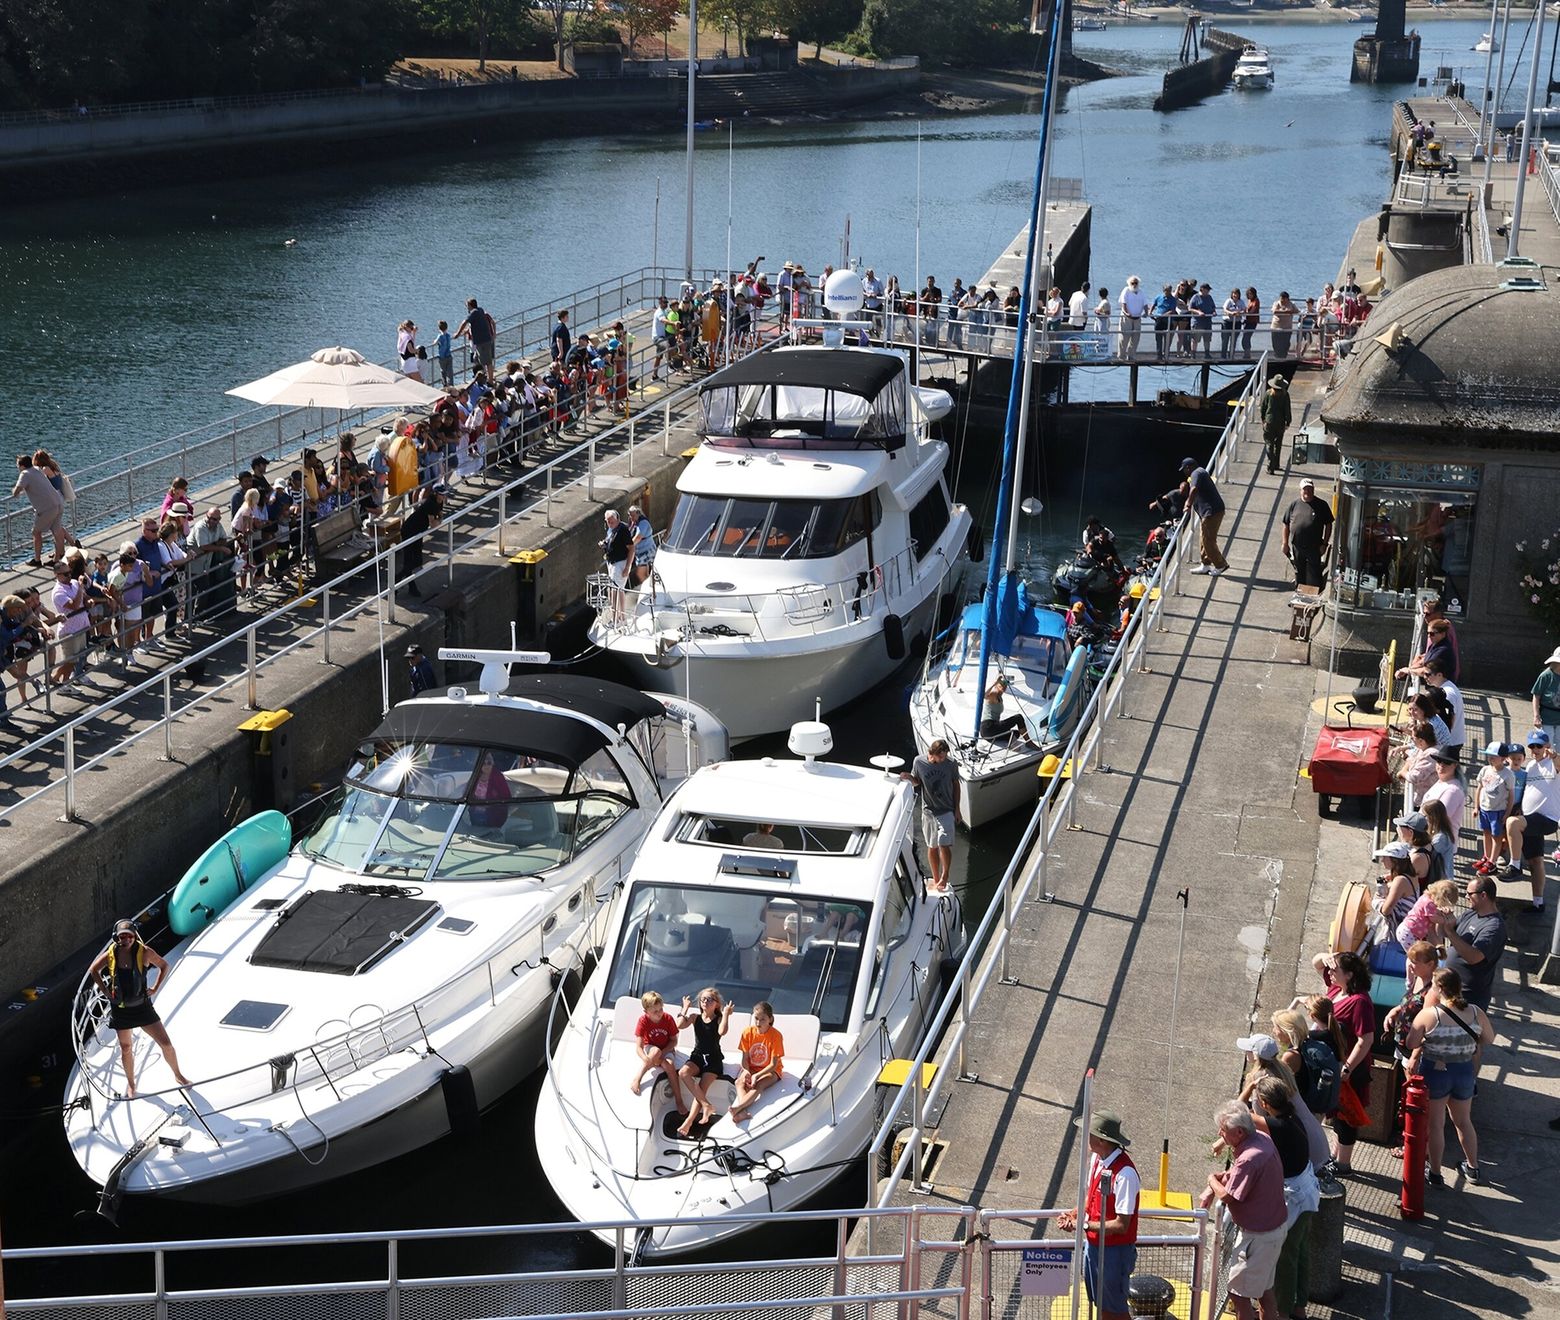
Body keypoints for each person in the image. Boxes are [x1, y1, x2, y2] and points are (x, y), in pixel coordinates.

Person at [1403, 968, 1493, 1185]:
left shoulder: (1429, 1015)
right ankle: (1473, 1168)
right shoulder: (1475, 1011)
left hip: (1436, 1072)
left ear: (1440, 988)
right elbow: (1488, 1038)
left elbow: (1411, 1043)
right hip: (1463, 1072)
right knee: (1463, 1122)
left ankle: (1435, 1173)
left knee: (1435, 1125)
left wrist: (1428, 1043)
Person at [1199, 1101, 1288, 1320]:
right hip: (1273, 1232)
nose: (1220, 1133)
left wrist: (1212, 1181)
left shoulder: (1249, 1158)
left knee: (1238, 1295)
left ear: (1239, 1132)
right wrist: (1225, 1179)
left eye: (1223, 1130)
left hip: (1259, 1238)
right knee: (1265, 1291)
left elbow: (1228, 1195)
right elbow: (1241, 1177)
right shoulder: (1262, 1139)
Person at [87, 920, 191, 1098]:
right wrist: (105, 991)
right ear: (116, 937)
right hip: (120, 1009)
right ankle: (131, 1084)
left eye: (129, 935)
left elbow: (164, 965)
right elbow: (93, 970)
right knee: (126, 1047)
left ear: (134, 936)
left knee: (166, 1044)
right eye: (122, 936)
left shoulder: (145, 952)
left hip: (142, 1007)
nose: (126, 939)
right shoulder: (111, 954)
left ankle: (178, 1075)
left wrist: (156, 987)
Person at [1055, 1110, 1139, 1320]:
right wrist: (1075, 1214)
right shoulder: (1097, 1160)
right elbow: (1090, 1198)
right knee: (1100, 1303)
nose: (1085, 1137)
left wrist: (1082, 1225)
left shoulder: (1125, 1174)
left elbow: (1122, 1225)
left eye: (1089, 1133)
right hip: (1095, 1247)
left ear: (1101, 1140)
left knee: (1113, 1310)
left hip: (1114, 1253)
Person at [1249, 1077, 1321, 1320]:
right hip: (1308, 1194)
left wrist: (1249, 1088)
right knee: (1300, 1252)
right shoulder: (1292, 1118)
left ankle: (1283, 1313)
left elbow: (1242, 1117)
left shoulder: (1275, 1126)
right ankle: (1299, 1308)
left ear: (1265, 1103)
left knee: (1286, 1258)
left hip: (1295, 1200)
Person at [1316, 951, 1375, 1174]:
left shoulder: (1360, 1002)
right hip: (1334, 1063)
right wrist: (1329, 957)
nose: (1329, 972)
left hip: (1350, 1069)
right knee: (1336, 1114)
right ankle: (1334, 1155)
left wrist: (1347, 1067)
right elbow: (1316, 962)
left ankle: (1344, 1165)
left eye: (1334, 970)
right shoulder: (1335, 990)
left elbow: (1365, 1039)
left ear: (1349, 975)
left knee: (1348, 1117)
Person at [1503, 729, 1558, 906]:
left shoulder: (1552, 762)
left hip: (1547, 819)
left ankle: (1515, 865)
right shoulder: (1532, 766)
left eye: (1539, 746)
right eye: (1532, 746)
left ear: (1547, 746)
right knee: (1536, 861)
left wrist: (1555, 755)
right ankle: (1538, 903)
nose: (1535, 750)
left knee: (1512, 823)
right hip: (1530, 819)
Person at [1437, 875, 1506, 1009]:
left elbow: (1474, 957)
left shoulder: (1494, 927)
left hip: (1468, 996)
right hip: (1449, 987)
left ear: (1483, 895)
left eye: (1469, 894)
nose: (1466, 897)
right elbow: (1444, 933)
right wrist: (1443, 921)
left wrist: (1450, 931)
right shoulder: (1471, 913)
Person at [676, 987, 733, 1136]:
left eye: (709, 1000)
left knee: (702, 1087)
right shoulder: (695, 1017)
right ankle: (706, 1105)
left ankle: (688, 1122)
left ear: (716, 1004)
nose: (705, 1002)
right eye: (703, 999)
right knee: (683, 1073)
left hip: (713, 1059)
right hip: (698, 1057)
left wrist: (726, 1014)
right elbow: (679, 1025)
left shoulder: (719, 1019)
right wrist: (685, 1007)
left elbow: (722, 1032)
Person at [906, 739, 960, 891]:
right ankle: (936, 878)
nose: (944, 759)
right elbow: (917, 782)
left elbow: (956, 785)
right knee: (932, 846)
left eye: (945, 756)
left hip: (946, 809)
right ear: (932, 754)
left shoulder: (951, 764)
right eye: (941, 756)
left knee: (944, 843)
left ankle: (945, 875)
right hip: (928, 810)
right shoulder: (919, 762)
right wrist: (909, 778)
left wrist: (957, 809)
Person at [630, 990, 687, 1113]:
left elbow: (674, 1041)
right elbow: (639, 1047)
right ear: (646, 1012)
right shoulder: (643, 1021)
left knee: (670, 1065)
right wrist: (646, 1059)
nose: (659, 1013)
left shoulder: (668, 1019)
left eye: (660, 1009)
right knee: (655, 1052)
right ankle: (638, 1078)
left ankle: (679, 1100)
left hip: (667, 1048)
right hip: (651, 1047)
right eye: (655, 1011)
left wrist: (664, 1051)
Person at [729, 1000, 784, 1123]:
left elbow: (773, 1064)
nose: (758, 1023)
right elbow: (744, 1058)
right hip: (752, 1068)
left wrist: (757, 1076)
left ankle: (738, 1107)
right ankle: (742, 1112)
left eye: (763, 1019)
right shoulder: (747, 1032)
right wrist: (747, 1071)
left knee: (758, 1085)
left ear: (770, 1019)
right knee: (739, 1082)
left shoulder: (776, 1036)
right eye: (756, 1019)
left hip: (772, 1070)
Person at [13, 453, 67, 568]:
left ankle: (37, 560)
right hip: (58, 503)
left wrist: (15, 492)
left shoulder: (25, 474)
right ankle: (58, 560)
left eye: (18, 465)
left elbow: (16, 491)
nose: (18, 468)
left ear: (22, 466)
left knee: (36, 532)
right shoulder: (37, 469)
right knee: (57, 532)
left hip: (47, 508)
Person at [1473, 740, 1516, 874]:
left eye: (1493, 756)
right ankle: (1486, 857)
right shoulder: (1485, 770)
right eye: (1489, 756)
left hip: (1498, 811)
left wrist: (1507, 813)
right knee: (1486, 833)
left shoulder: (1508, 775)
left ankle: (1492, 862)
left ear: (1503, 758)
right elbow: (1479, 788)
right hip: (1484, 809)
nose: (1490, 759)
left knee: (1496, 837)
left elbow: (1511, 796)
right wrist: (1476, 807)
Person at [1280, 478, 1332, 589]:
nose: (1307, 491)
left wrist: (1324, 544)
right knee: (1299, 572)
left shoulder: (1322, 505)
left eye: (1310, 489)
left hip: (1314, 547)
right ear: (1300, 490)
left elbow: (1329, 525)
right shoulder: (1294, 505)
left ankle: (1314, 596)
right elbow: (1286, 524)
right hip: (1297, 546)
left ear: (1313, 490)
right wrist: (1285, 543)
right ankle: (1299, 595)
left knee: (1315, 574)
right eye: (1305, 489)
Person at [1181, 457, 1229, 576]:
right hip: (1208, 512)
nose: (1184, 472)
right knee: (1203, 539)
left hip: (1211, 512)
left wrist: (1188, 504)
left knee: (1208, 540)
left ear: (1189, 467)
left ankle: (1221, 565)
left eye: (1184, 469)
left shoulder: (1196, 473)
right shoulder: (1201, 471)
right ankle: (1205, 564)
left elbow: (1194, 489)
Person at [398, 487, 444, 600]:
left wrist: (439, 519)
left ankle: (398, 580)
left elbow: (438, 517)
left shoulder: (439, 502)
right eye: (441, 494)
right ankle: (408, 586)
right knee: (409, 560)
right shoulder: (430, 503)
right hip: (409, 530)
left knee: (417, 561)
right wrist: (440, 520)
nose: (443, 497)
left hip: (418, 531)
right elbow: (434, 525)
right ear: (435, 494)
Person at [1422, 661, 1465, 757]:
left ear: (1439, 675)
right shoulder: (1446, 688)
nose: (1424, 677)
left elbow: (1450, 720)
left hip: (1450, 743)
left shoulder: (1448, 693)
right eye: (1423, 674)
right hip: (1451, 741)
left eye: (1427, 674)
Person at [1420, 746, 1466, 824]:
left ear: (1455, 765)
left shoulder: (1453, 791)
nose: (1441, 765)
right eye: (1439, 760)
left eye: (1447, 762)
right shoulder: (1441, 782)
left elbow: (1439, 820)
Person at [1260, 376, 1292, 476]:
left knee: (1269, 443)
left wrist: (1263, 419)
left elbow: (1263, 408)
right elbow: (1287, 410)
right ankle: (1277, 464)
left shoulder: (1268, 394)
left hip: (1269, 422)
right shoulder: (1285, 395)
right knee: (1278, 444)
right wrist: (1288, 422)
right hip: (1280, 423)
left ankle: (1270, 466)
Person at [456, 297, 496, 376]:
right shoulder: (480, 310)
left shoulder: (474, 312)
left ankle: (489, 380)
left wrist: (457, 334)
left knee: (487, 362)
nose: (467, 307)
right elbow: (475, 324)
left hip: (483, 341)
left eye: (467, 306)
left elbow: (464, 322)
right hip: (481, 341)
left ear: (470, 305)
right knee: (476, 359)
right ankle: (481, 376)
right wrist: (467, 331)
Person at [1531, 646, 1560, 747]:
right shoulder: (1546, 675)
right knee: (1547, 745)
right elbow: (1536, 696)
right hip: (1546, 717)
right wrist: (1536, 716)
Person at [1118, 277, 1147, 359]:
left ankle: (1131, 355)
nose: (1134, 285)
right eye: (1132, 283)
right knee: (1124, 338)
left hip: (1137, 318)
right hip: (1127, 318)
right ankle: (1121, 356)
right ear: (1129, 283)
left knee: (1135, 339)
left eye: (1136, 283)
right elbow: (1123, 303)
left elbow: (1145, 303)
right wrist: (1126, 312)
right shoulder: (1126, 290)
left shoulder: (1141, 292)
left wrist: (1146, 312)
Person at [628, 504, 655, 588]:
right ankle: (650, 587)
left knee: (640, 573)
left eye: (632, 515)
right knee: (645, 573)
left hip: (646, 551)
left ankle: (648, 588)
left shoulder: (643, 523)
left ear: (638, 513)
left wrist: (627, 547)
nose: (631, 518)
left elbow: (638, 537)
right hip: (641, 552)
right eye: (630, 516)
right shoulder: (635, 523)